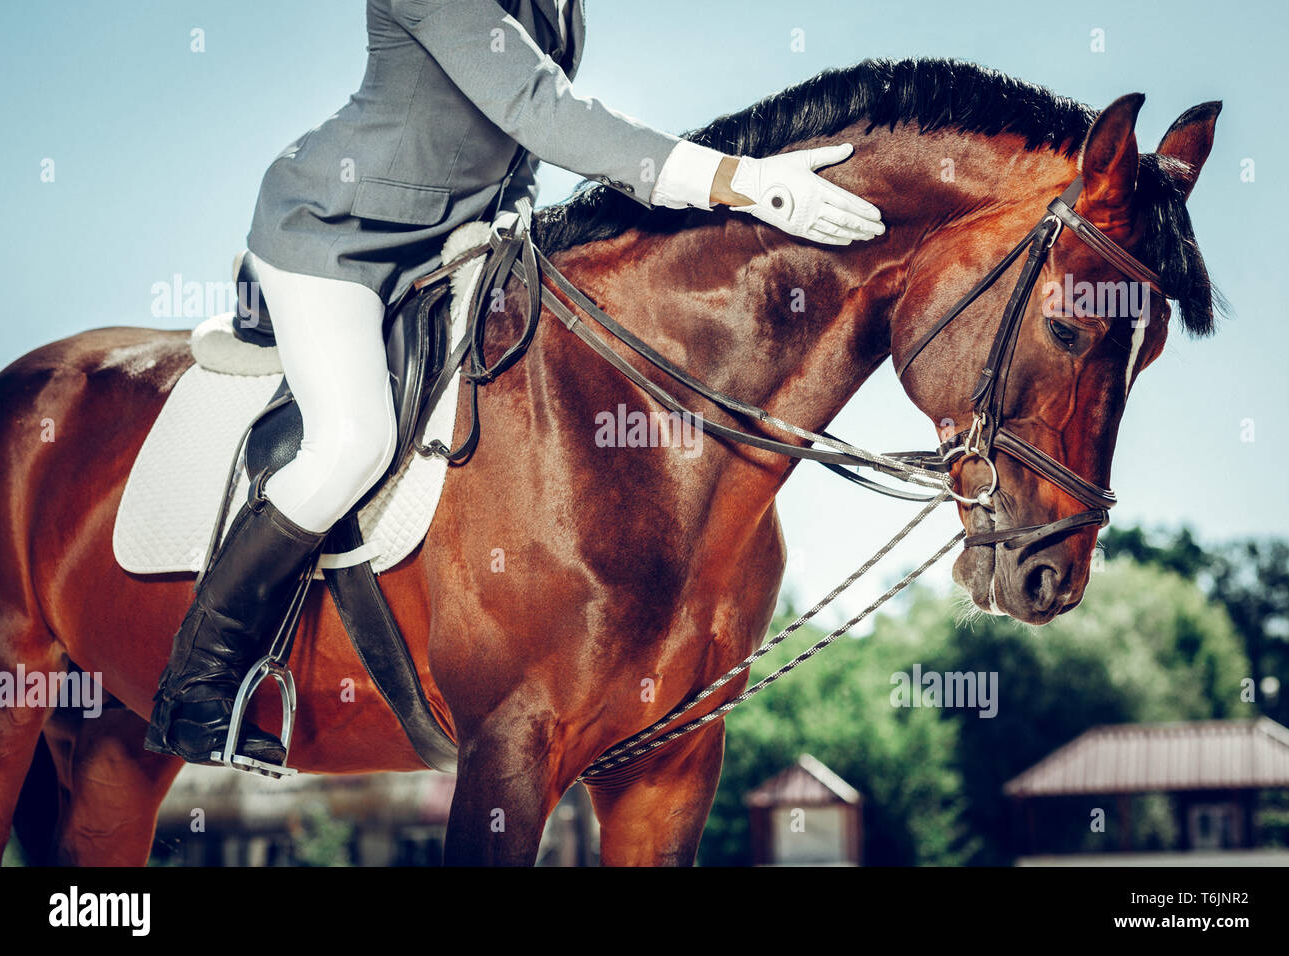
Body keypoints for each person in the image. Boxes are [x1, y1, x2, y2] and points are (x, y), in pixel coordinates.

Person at [144, 0, 886, 767]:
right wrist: (737, 181)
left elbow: (514, 145)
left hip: (448, 243)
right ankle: (195, 683)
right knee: (351, 441)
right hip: (337, 235)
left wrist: (518, 216)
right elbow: (538, 106)